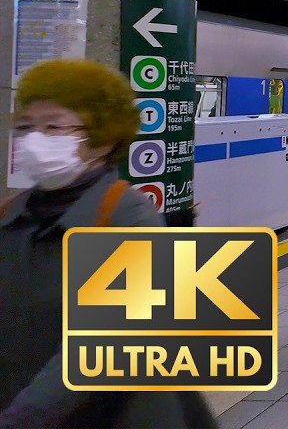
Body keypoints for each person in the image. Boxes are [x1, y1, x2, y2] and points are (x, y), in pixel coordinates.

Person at [0, 59, 216, 428]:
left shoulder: (127, 214)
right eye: (25, 127)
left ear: (102, 137)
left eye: (54, 126)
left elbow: (107, 340)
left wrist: (21, 417)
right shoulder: (10, 214)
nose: (35, 139)